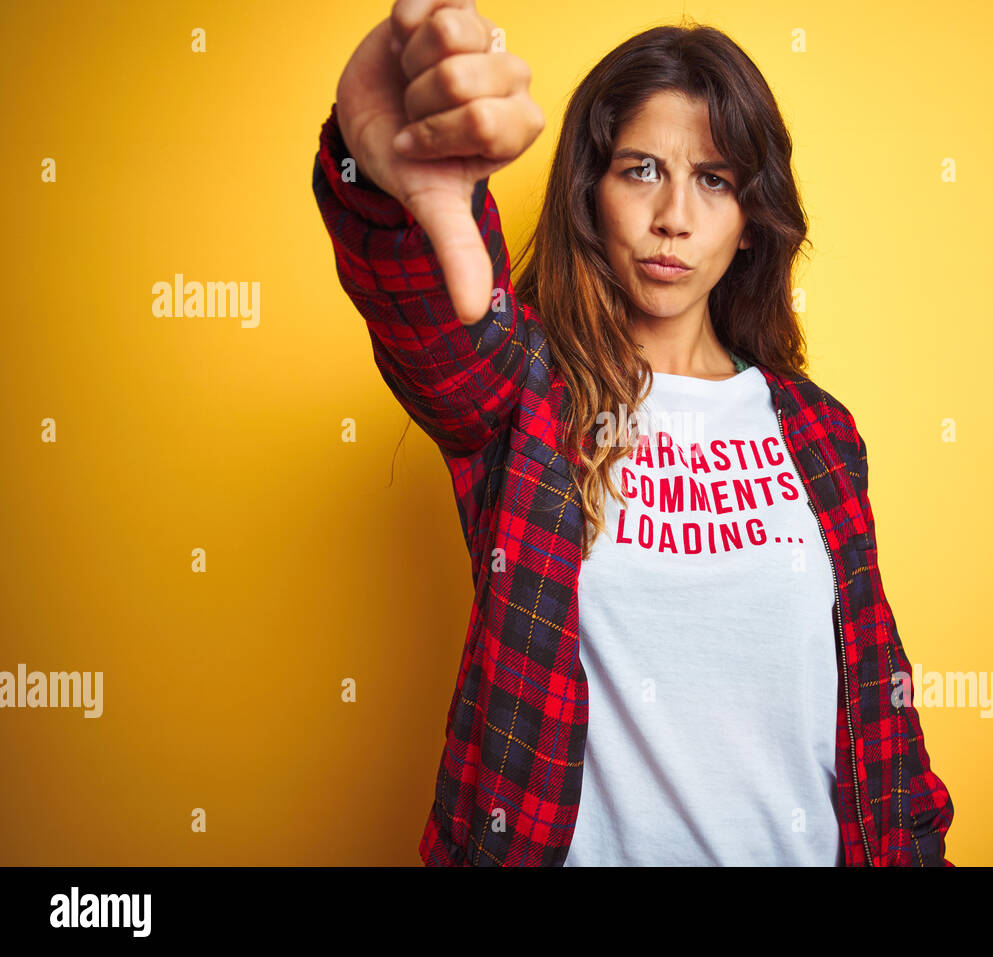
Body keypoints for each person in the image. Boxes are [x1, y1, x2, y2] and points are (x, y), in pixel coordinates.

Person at [312, 0, 954, 866]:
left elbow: (882, 724)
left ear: (752, 220)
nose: (675, 218)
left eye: (715, 180)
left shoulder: (820, 433)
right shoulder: (530, 397)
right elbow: (435, 327)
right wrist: (378, 173)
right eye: (642, 169)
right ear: (590, 192)